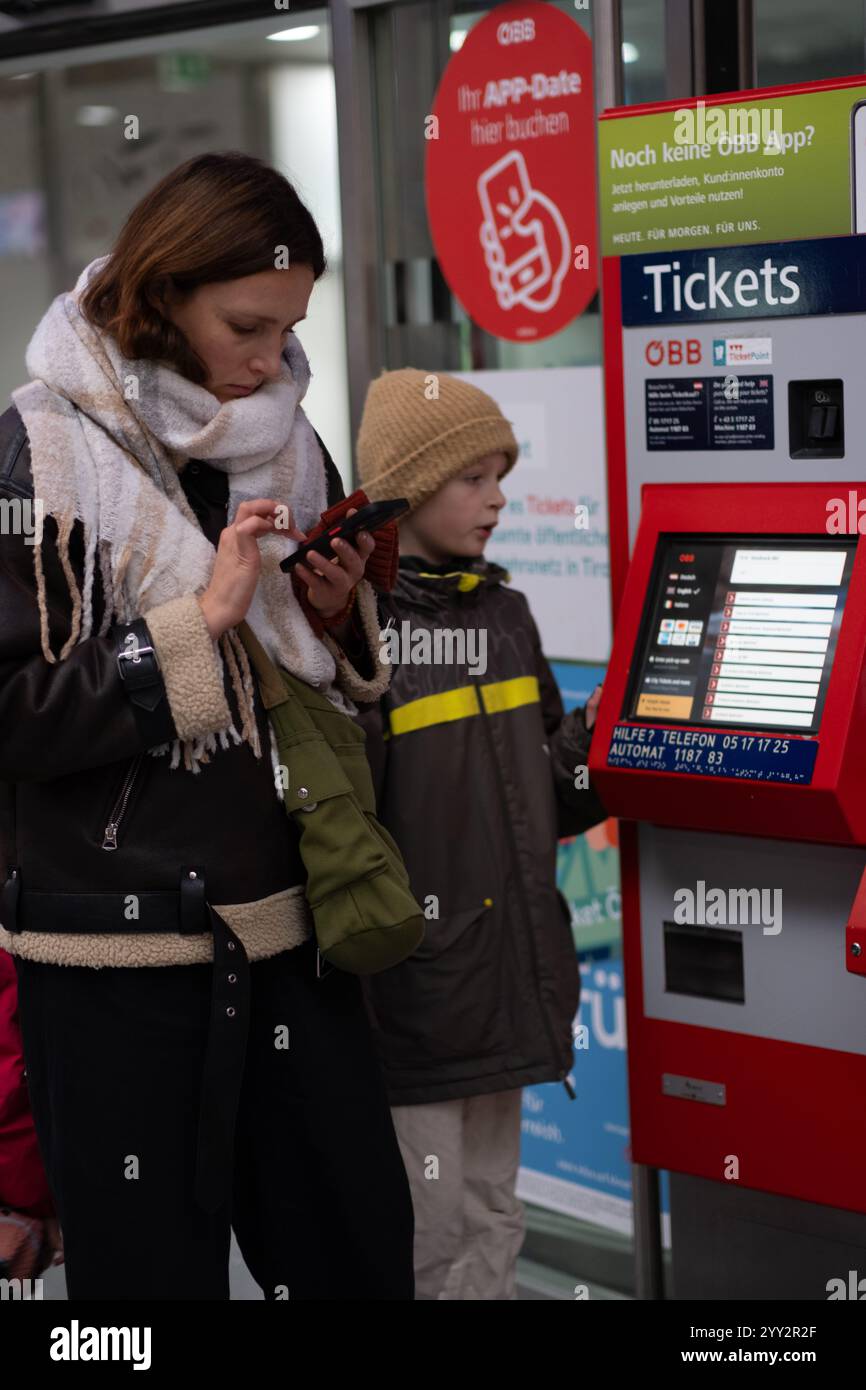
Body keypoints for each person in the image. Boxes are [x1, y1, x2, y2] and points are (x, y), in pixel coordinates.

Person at [0, 152, 414, 1301]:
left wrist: (332, 617)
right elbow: (13, 715)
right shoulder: (38, 446)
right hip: (111, 957)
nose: (272, 357)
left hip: (297, 930)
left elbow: (320, 687)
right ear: (164, 292)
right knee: (145, 1292)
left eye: (289, 327)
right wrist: (197, 625)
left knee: (355, 1255)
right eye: (246, 323)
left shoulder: (289, 435)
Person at [354, 368, 606, 1300]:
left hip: (504, 982)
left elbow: (549, 794)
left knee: (495, 1211)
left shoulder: (506, 615)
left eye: (501, 473)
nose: (499, 497)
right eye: (473, 477)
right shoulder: (360, 637)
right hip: (415, 1000)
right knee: (430, 1228)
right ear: (409, 489)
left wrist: (612, 729)